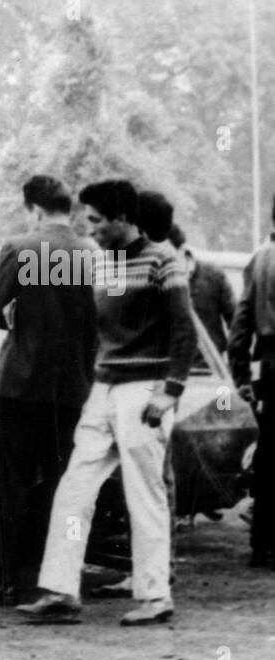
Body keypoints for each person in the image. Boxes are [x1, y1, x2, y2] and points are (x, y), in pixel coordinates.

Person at [18, 179, 196, 627]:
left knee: (145, 493)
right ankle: (60, 590)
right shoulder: (103, 264)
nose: (89, 228)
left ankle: (156, 596)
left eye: (96, 220)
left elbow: (184, 330)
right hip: (105, 389)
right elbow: (98, 327)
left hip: (145, 392)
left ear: (122, 219)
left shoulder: (164, 260)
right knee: (75, 488)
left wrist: (169, 390)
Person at [0, 176, 98, 606]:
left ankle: (5, 580)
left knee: (10, 483)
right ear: (70, 209)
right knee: (60, 484)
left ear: (32, 209)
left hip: (19, 383)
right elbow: (106, 318)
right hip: (72, 388)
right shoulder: (95, 254)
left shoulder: (20, 247)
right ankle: (54, 579)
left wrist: (18, 320)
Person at [228, 194, 275, 568]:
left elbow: (240, 325)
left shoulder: (261, 259)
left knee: (269, 455)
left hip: (270, 368)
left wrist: (241, 376)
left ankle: (262, 544)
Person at [166, 225, 233, 361]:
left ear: (182, 251)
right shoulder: (156, 281)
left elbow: (236, 321)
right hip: (168, 371)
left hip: (210, 370)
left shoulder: (214, 275)